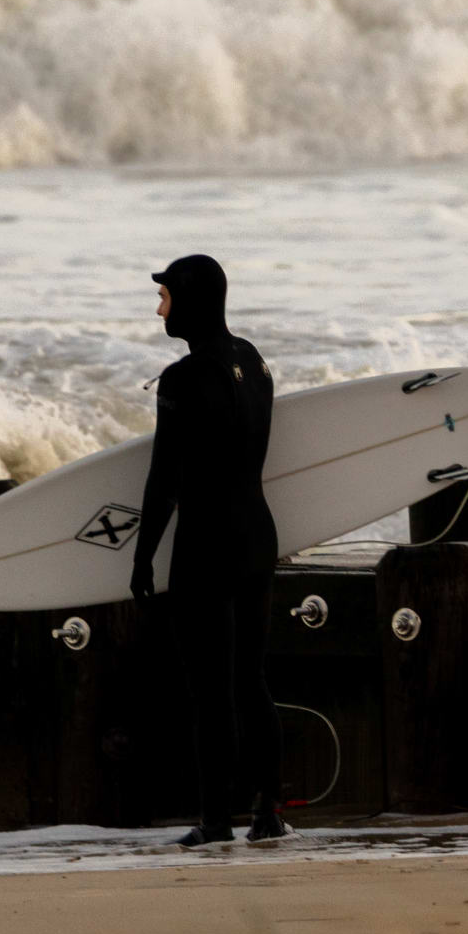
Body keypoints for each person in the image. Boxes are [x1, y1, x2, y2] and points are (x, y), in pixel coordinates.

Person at [129, 253, 287, 844]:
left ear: (190, 300)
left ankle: (216, 822)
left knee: (210, 691)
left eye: (166, 295)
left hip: (206, 544)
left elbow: (163, 477)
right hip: (256, 534)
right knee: (253, 680)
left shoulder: (183, 378)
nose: (159, 307)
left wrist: (143, 555)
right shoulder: (257, 361)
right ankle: (268, 814)